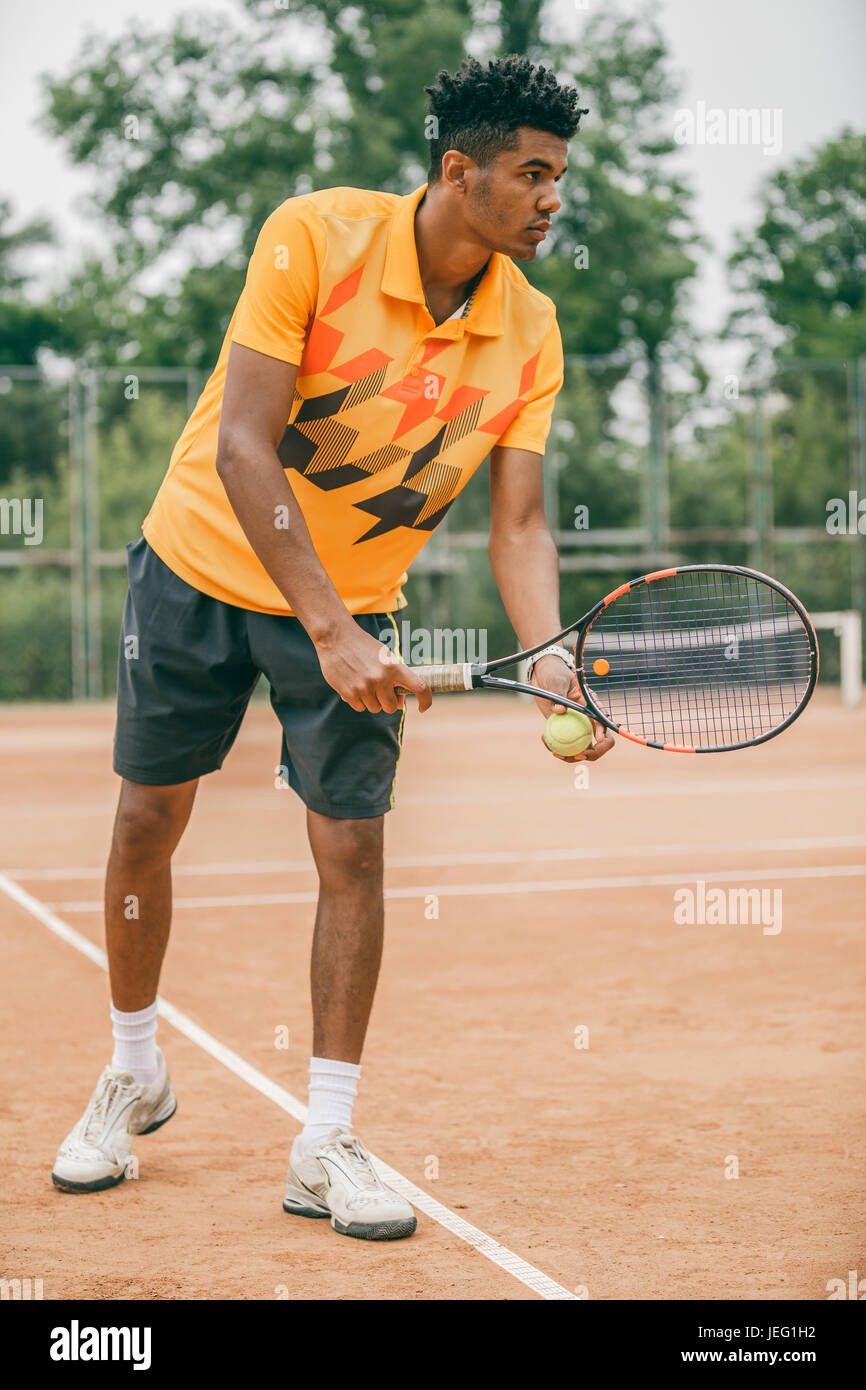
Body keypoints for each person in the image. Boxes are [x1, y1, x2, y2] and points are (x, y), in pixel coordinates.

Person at [52, 54, 613, 1240]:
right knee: (146, 826)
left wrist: (549, 656)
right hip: (201, 567)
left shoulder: (531, 331)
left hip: (357, 602)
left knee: (349, 853)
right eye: (531, 172)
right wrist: (330, 631)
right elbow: (243, 449)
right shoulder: (312, 236)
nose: (552, 197)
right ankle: (133, 1069)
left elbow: (517, 524)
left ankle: (326, 1137)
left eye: (558, 175)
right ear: (459, 171)